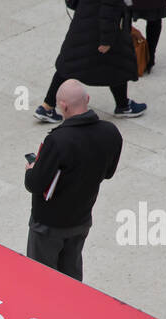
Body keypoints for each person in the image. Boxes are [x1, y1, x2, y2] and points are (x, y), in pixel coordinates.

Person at [35, 0, 145, 123]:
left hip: (84, 19)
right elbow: (109, 5)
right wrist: (107, 38)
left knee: (70, 63)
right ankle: (123, 105)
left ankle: (47, 106)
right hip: (104, 25)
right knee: (117, 63)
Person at [24, 79, 123, 281]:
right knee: (71, 275)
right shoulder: (110, 132)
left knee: (41, 279)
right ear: (87, 99)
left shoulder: (58, 141)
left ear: (63, 106)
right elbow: (108, 173)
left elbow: (34, 184)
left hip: (49, 224)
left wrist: (32, 168)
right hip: (81, 219)